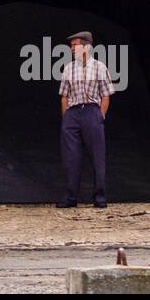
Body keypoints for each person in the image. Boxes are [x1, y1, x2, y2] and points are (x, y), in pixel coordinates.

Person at [58, 30, 113, 208]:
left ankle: (100, 197)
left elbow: (105, 95)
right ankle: (71, 198)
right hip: (73, 113)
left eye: (75, 44)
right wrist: (66, 116)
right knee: (71, 157)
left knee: (97, 156)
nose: (71, 48)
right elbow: (64, 96)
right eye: (71, 45)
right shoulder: (68, 68)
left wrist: (100, 116)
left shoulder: (99, 67)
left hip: (91, 111)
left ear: (86, 46)